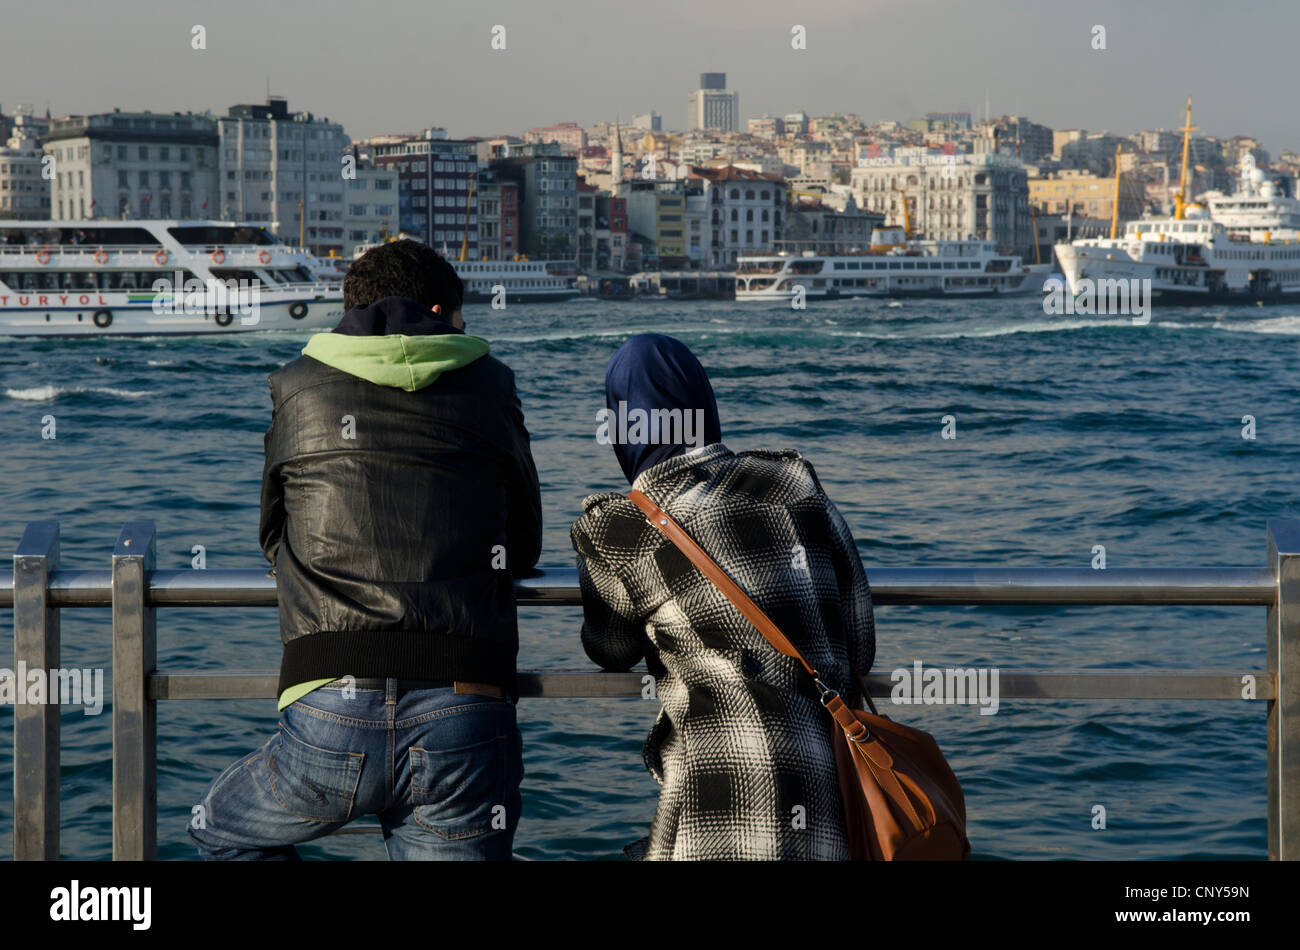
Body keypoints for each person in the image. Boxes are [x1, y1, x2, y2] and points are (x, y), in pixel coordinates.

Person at [189, 239, 541, 860]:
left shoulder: (297, 387)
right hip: (465, 704)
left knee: (221, 830)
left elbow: (273, 532)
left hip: (328, 703)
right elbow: (524, 544)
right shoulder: (491, 385)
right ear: (442, 310)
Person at [570, 333, 875, 860]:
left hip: (714, 809)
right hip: (833, 803)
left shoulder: (618, 526)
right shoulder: (797, 485)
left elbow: (609, 649)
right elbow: (860, 644)